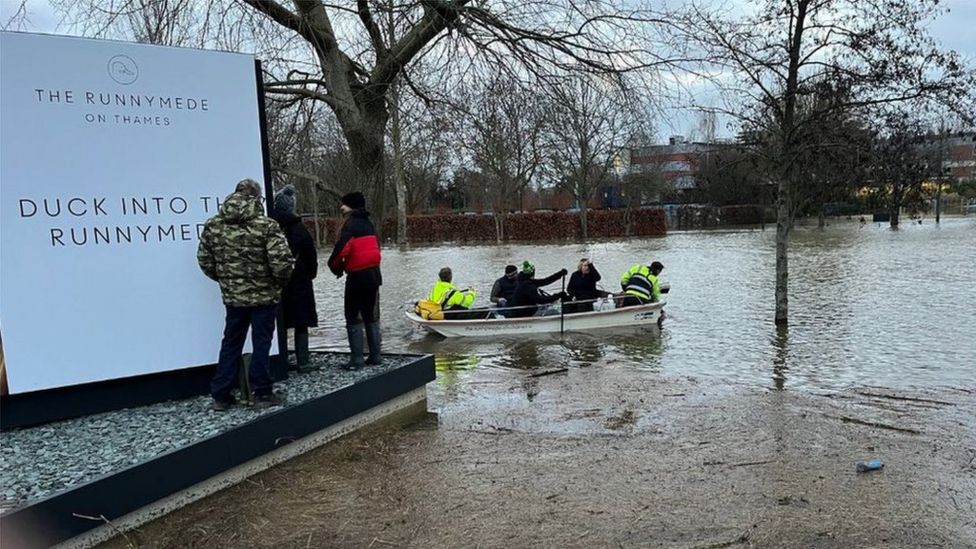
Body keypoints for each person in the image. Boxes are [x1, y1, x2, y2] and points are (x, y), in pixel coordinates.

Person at [198, 178, 294, 411]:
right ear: (257, 198)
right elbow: (281, 263)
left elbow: (204, 261)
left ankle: (221, 396)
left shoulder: (213, 226)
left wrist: (228, 281)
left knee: (231, 342)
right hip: (264, 297)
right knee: (261, 343)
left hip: (233, 298)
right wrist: (278, 283)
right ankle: (261, 393)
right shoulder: (266, 226)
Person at [328, 191, 382, 370]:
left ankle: (357, 360)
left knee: (352, 317)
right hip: (374, 276)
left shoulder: (350, 226)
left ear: (350, 206)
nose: (341, 207)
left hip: (357, 277)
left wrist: (335, 268)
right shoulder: (369, 224)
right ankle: (376, 356)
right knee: (370, 317)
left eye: (343, 204)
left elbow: (341, 251)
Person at [270, 184, 318, 372]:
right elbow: (310, 254)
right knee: (301, 321)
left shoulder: (269, 225)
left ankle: (282, 359)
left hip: (276, 281)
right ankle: (303, 361)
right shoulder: (299, 228)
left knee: (280, 321)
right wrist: (310, 274)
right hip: (299, 280)